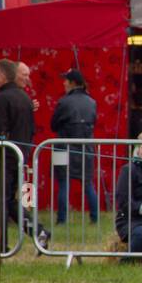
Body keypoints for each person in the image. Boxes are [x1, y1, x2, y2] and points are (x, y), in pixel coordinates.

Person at [0, 58, 40, 252]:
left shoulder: (1, 99)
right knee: (10, 202)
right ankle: (38, 231)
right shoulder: (25, 98)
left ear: (2, 75)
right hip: (19, 156)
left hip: (2, 158)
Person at [50, 69, 99, 224]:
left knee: (63, 183)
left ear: (72, 83)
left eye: (65, 80)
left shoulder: (64, 101)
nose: (63, 83)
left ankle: (62, 219)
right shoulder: (92, 102)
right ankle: (94, 218)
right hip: (86, 148)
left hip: (63, 146)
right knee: (88, 183)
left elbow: (53, 125)